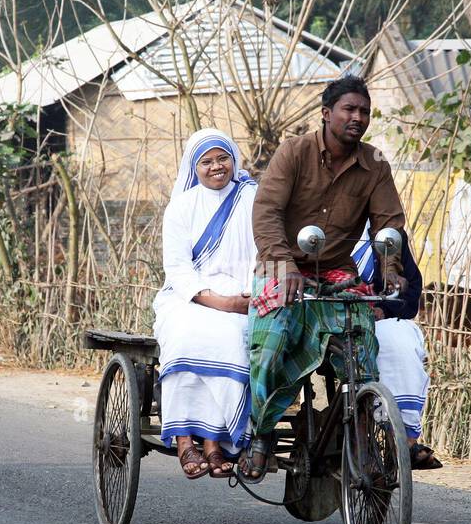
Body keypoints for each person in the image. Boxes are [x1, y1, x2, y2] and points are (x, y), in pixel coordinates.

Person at [240, 75, 408, 482]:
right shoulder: (293, 152)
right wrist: (285, 265)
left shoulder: (376, 164)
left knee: (361, 347)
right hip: (283, 270)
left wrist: (390, 269)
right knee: (272, 343)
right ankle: (261, 435)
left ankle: (363, 433)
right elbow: (266, 213)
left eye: (364, 111)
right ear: (326, 114)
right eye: (349, 109)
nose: (358, 117)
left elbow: (389, 224)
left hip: (336, 274)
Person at [153, 128, 257, 479]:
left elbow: (266, 252)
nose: (216, 167)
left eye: (222, 158)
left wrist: (246, 297)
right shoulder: (181, 207)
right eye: (207, 161)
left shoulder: (252, 200)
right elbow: (178, 270)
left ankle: (215, 443)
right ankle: (185, 441)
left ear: (234, 159)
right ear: (193, 167)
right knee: (186, 336)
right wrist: (221, 303)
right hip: (189, 297)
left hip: (242, 296)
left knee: (233, 340)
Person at [352, 227, 442, 470]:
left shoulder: (387, 234)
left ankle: (404, 441)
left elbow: (410, 295)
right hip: (329, 321)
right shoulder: (316, 223)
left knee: (402, 341)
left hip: (378, 323)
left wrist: (384, 310)